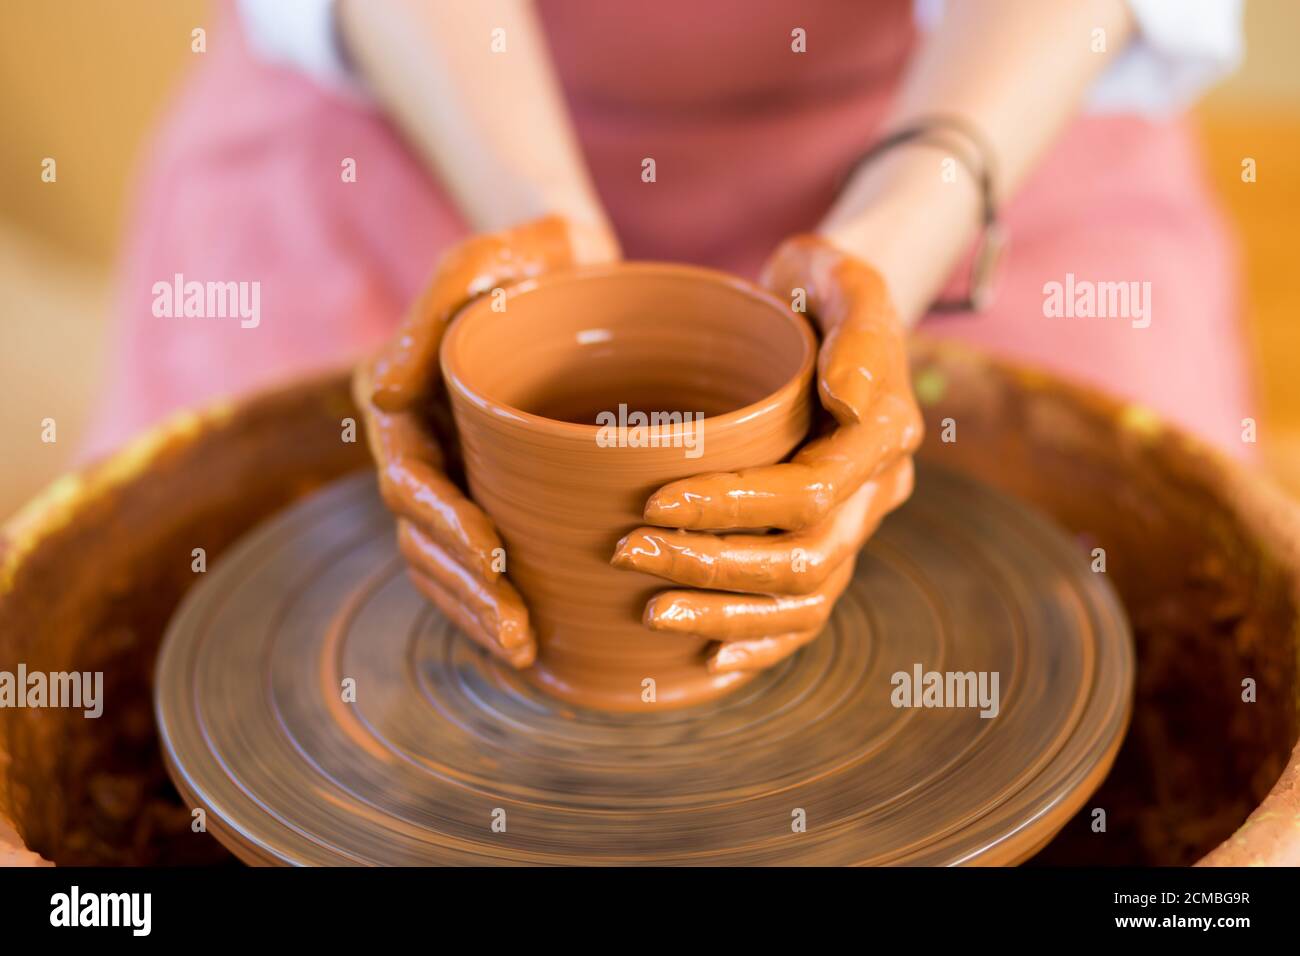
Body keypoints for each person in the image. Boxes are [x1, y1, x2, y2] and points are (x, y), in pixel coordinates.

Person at [92, 0, 1249, 672]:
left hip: (971, 112)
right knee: (190, 614)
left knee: (1150, 627)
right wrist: (532, 213)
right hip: (409, 88)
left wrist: (899, 237)